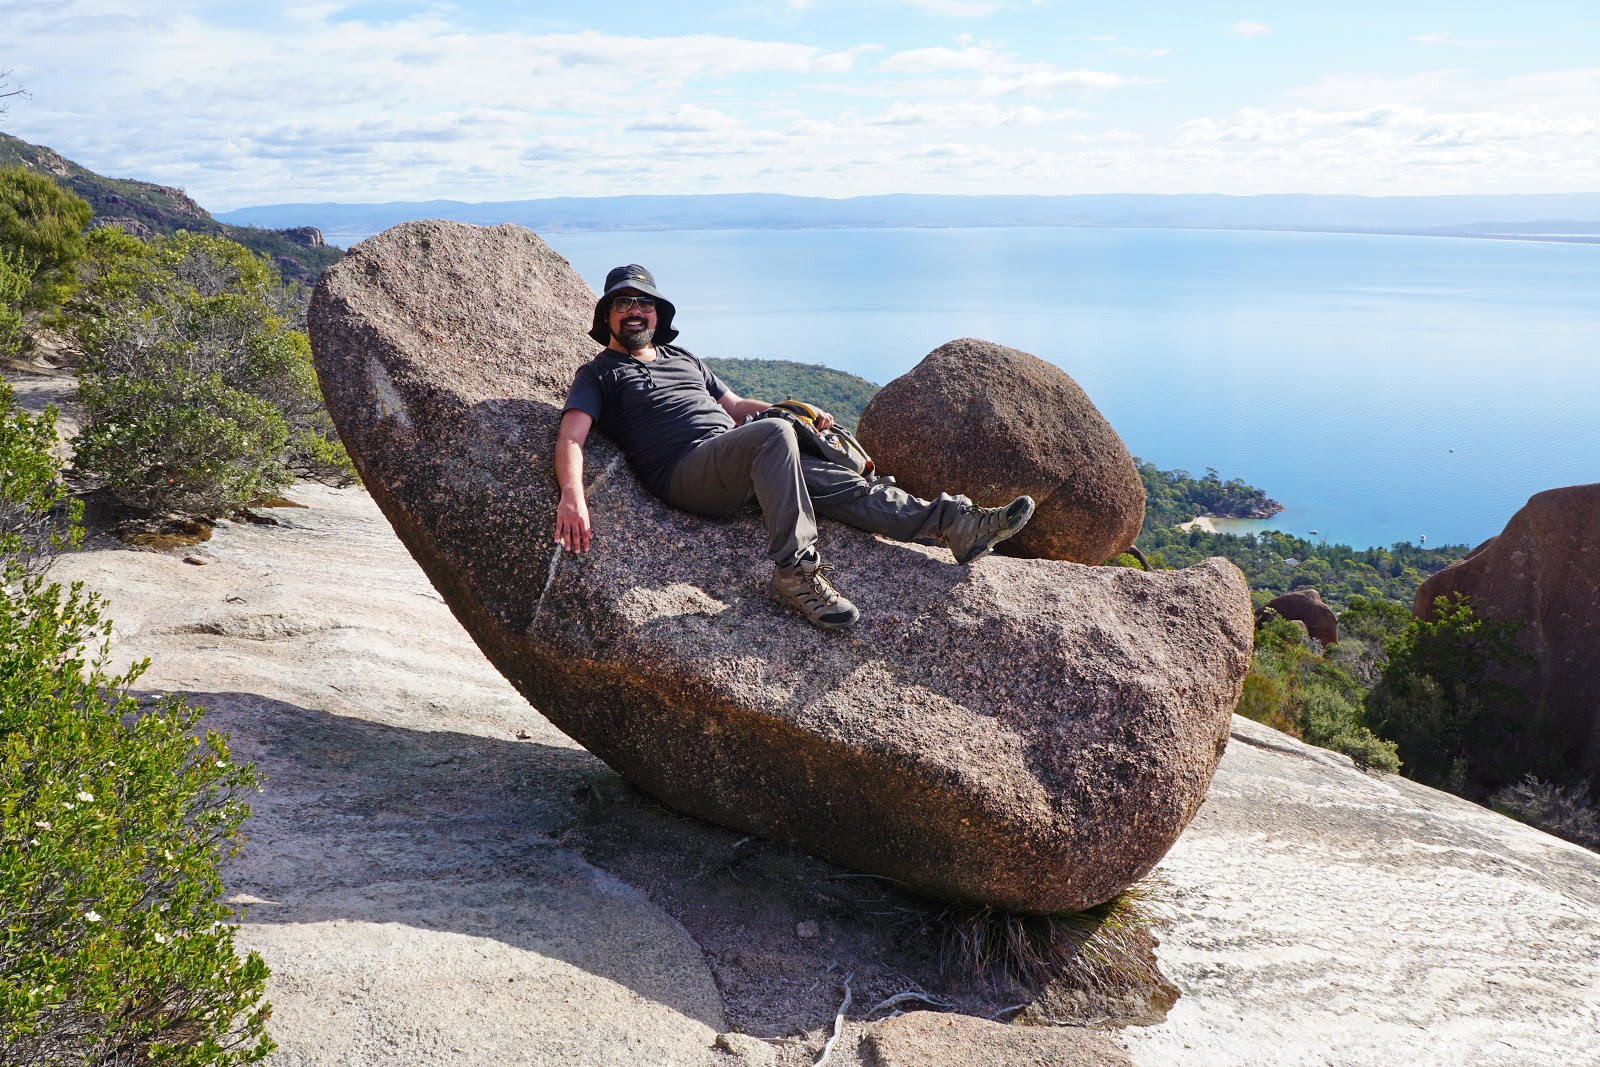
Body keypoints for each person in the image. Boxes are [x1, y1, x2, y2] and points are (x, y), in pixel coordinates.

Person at [554, 264, 1035, 630]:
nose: (636, 310)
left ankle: (957, 524)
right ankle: (795, 572)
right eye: (623, 304)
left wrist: (799, 412)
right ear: (607, 316)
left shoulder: (682, 357)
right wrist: (572, 496)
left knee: (843, 482)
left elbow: (738, 405)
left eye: (645, 303)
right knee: (776, 433)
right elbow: (572, 436)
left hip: (738, 455)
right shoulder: (599, 374)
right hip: (686, 472)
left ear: (658, 313)